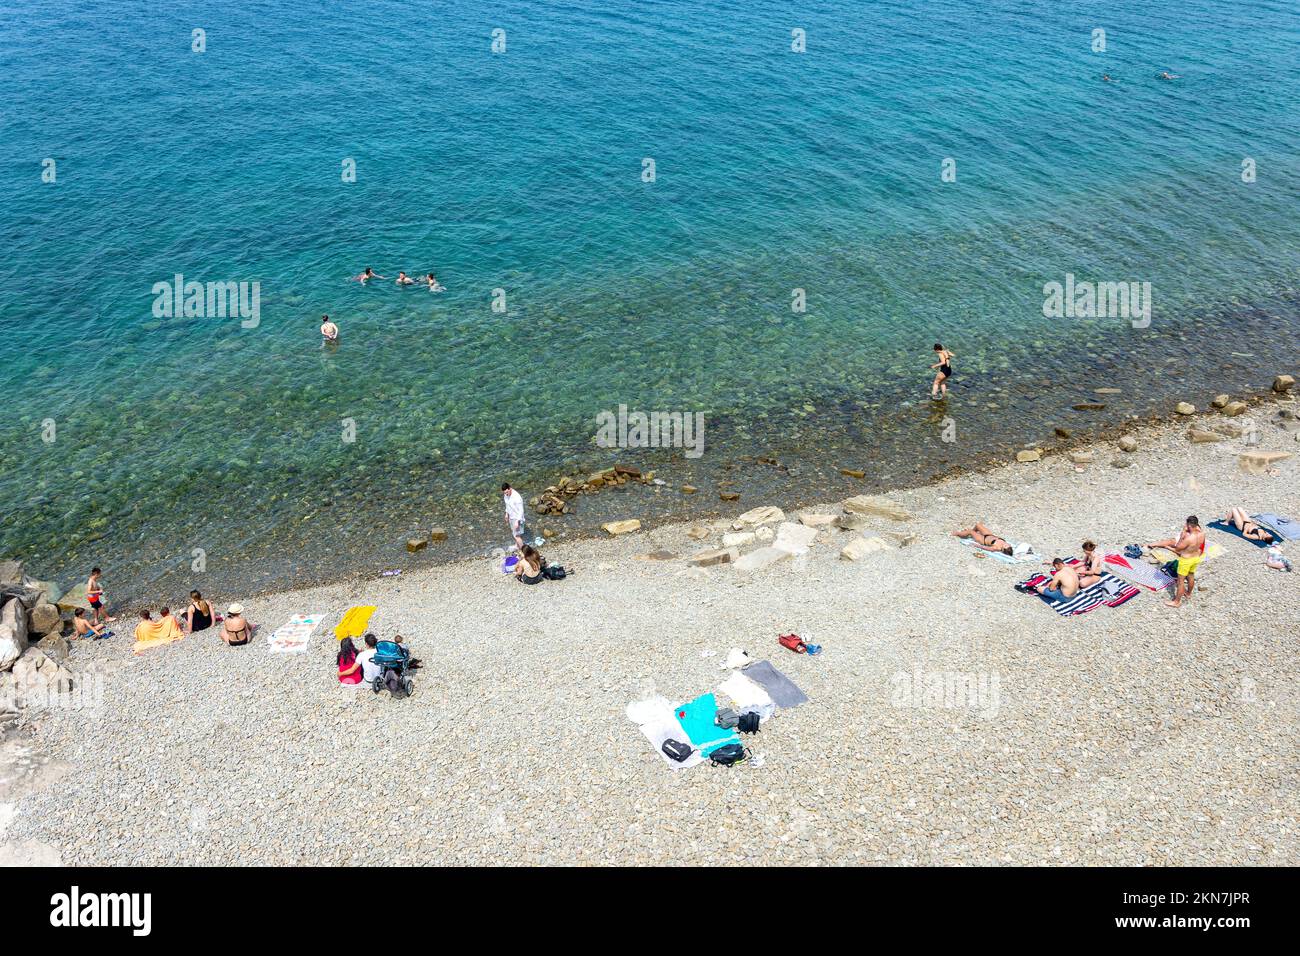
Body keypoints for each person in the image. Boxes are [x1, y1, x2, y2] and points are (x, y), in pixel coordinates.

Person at [1148, 515, 1205, 608]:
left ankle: (1177, 601)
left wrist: (1183, 535)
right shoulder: (1202, 533)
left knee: (1180, 581)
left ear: (1189, 525)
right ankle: (1188, 594)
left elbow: (1178, 548)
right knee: (1191, 576)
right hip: (1196, 558)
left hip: (1186, 560)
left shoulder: (1189, 538)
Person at [502, 482, 528, 550]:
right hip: (511, 517)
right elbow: (507, 505)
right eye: (504, 493)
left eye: (507, 492)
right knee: (514, 533)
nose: (506, 494)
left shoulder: (517, 497)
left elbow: (521, 511)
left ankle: (523, 551)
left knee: (517, 536)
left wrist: (517, 521)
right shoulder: (506, 495)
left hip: (517, 518)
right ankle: (517, 546)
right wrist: (506, 514)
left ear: (510, 488)